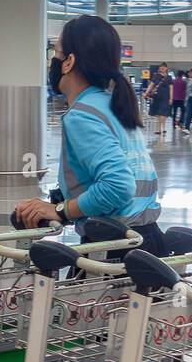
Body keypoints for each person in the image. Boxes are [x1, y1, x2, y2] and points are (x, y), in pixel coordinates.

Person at [13, 14, 163, 251]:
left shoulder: (82, 115)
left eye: (56, 51)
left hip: (113, 248)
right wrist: (59, 201)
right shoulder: (111, 103)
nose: (53, 60)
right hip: (145, 240)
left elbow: (119, 185)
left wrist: (61, 211)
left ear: (69, 61)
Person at [143, 63, 172, 139]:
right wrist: (146, 93)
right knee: (158, 113)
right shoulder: (156, 76)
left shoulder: (169, 77)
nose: (162, 68)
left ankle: (163, 128)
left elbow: (171, 88)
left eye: (164, 67)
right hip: (157, 96)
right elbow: (151, 85)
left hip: (165, 96)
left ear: (166, 68)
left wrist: (171, 98)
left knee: (163, 113)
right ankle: (159, 129)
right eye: (161, 67)